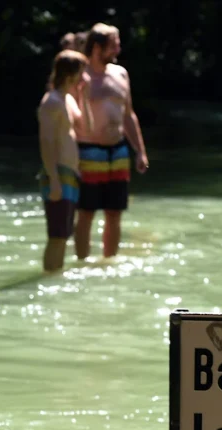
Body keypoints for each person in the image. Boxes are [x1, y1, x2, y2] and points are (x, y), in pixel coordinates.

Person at [73, 23, 148, 261]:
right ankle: (82, 262)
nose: (118, 49)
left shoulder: (121, 73)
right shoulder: (79, 76)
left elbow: (129, 115)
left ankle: (109, 261)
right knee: (86, 213)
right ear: (97, 47)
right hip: (88, 150)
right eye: (113, 45)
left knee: (115, 212)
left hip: (118, 151)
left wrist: (140, 151)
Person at [37, 49, 91, 273]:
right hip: (57, 174)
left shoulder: (67, 100)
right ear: (71, 74)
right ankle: (49, 277)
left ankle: (55, 274)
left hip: (69, 173)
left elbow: (85, 128)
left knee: (64, 234)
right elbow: (46, 142)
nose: (84, 78)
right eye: (81, 73)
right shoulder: (52, 102)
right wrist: (54, 179)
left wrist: (84, 95)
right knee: (57, 235)